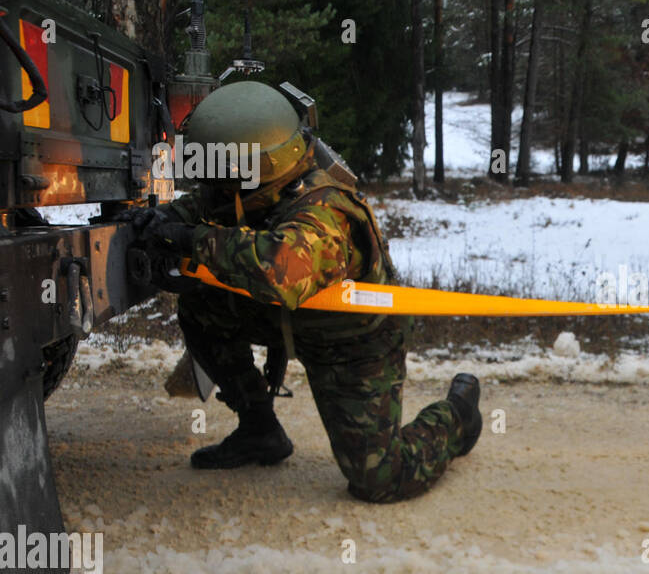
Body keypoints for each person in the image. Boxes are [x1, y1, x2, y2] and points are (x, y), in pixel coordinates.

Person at [129, 80, 480, 503]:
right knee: (201, 305)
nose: (216, 189)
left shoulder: (324, 208)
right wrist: (164, 219)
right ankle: (259, 430)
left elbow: (283, 271)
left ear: (255, 168)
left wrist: (189, 239)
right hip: (287, 317)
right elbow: (207, 205)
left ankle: (458, 415)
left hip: (351, 341)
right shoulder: (254, 180)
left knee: (381, 479)